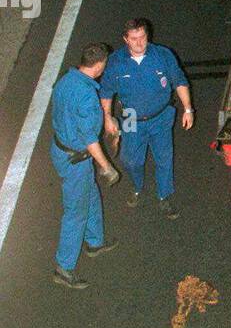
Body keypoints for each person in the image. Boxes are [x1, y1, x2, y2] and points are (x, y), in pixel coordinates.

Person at [99, 18, 193, 220]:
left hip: (160, 117)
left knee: (164, 158)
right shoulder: (115, 62)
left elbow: (179, 81)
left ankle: (164, 195)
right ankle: (137, 186)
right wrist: (107, 117)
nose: (139, 43)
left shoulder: (163, 55)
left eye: (142, 37)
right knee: (131, 160)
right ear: (126, 39)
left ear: (147, 36)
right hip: (132, 117)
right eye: (134, 39)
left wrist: (188, 109)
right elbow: (106, 92)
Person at [50, 42, 120, 289]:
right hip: (76, 159)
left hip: (60, 147)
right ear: (99, 66)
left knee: (90, 194)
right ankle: (64, 267)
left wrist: (106, 118)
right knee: (75, 212)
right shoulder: (88, 95)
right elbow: (90, 140)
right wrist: (107, 167)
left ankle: (95, 241)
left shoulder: (66, 80)